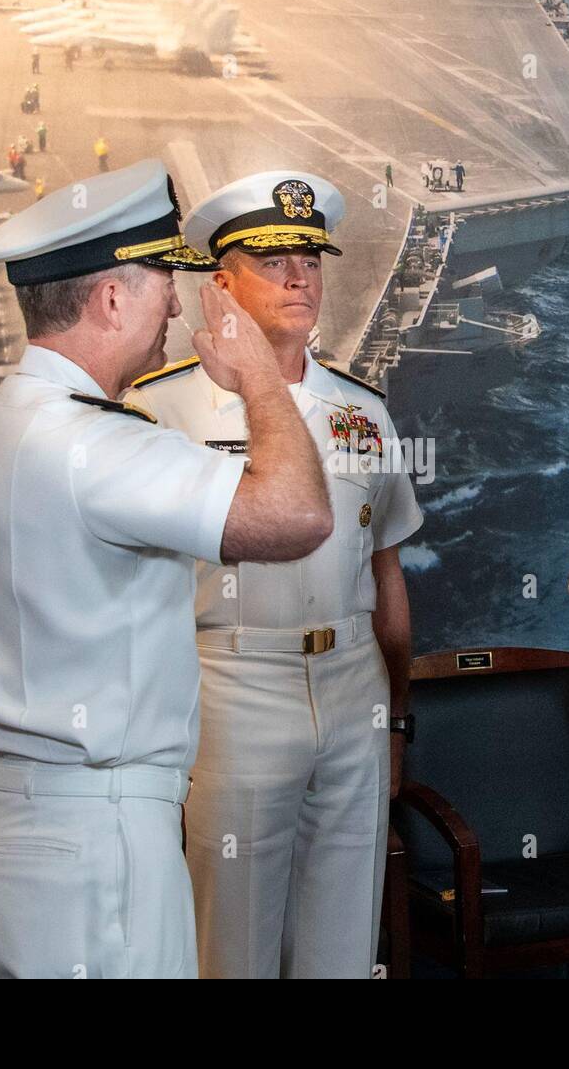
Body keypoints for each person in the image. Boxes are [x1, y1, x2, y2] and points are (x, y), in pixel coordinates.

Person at [0, 159, 334, 978]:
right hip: (103, 847)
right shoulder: (101, 445)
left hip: (0, 840)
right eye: (159, 284)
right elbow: (299, 515)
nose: (177, 304)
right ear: (111, 298)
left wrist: (19, 799)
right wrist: (257, 374)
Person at [125, 171, 423, 979]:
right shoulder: (159, 412)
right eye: (272, 261)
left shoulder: (365, 411)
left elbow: (386, 573)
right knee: (234, 943)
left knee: (344, 935)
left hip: (353, 681)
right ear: (221, 283)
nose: (300, 277)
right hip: (229, 685)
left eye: (311, 259)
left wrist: (396, 718)